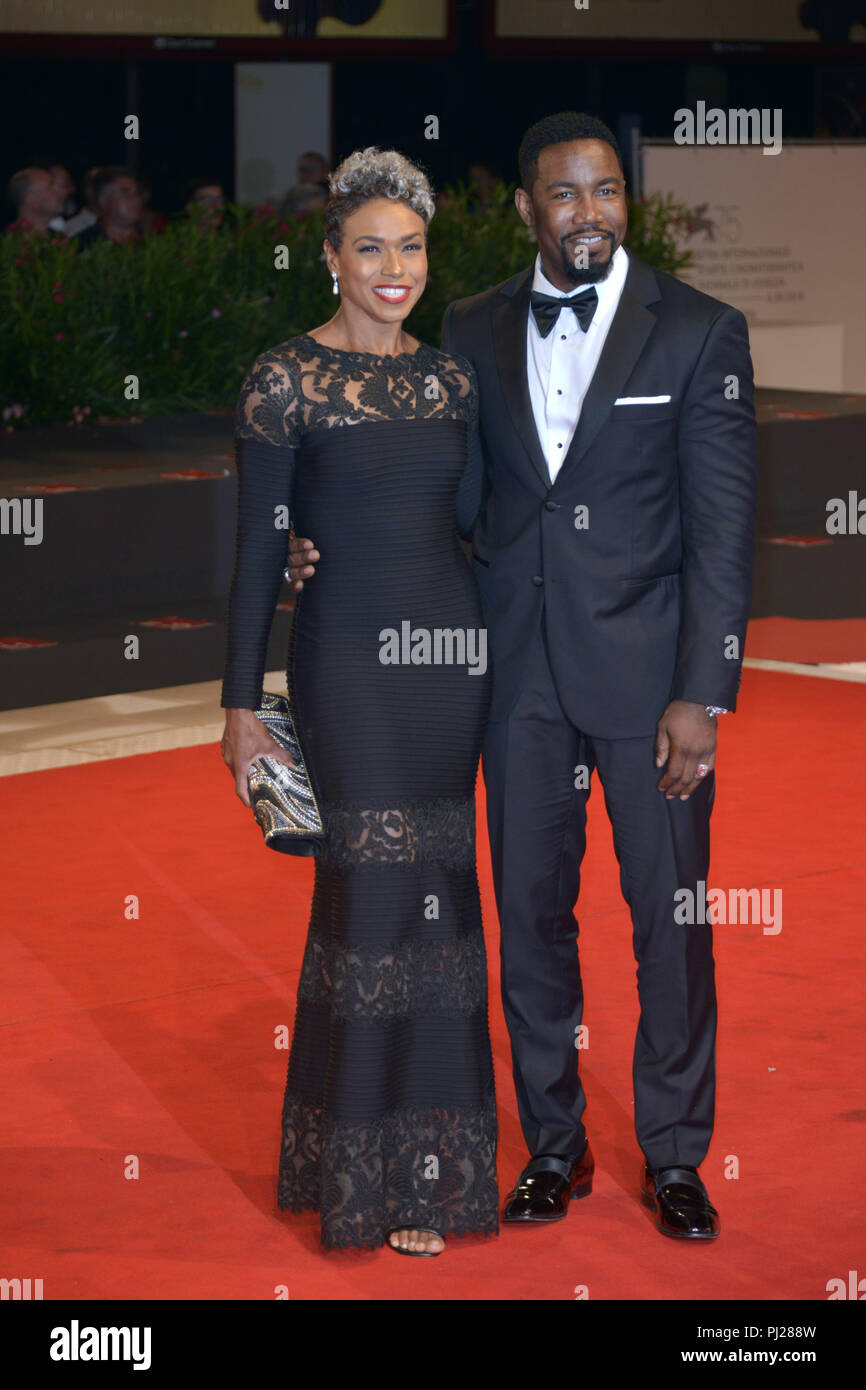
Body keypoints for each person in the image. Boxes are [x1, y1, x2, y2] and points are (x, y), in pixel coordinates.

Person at [287, 111, 758, 1242]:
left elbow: (722, 528)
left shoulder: (697, 331)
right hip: (511, 684)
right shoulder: (471, 325)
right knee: (528, 917)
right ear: (524, 207)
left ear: (623, 204)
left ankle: (676, 1152)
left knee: (667, 921)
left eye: (606, 192)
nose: (587, 211)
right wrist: (320, 542)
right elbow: (447, 501)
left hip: (652, 688)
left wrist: (704, 691)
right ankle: (553, 1142)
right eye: (564, 193)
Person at [219, 147, 498, 1257]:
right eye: (369, 247)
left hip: (450, 666)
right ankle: (367, 1173)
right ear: (329, 255)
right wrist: (241, 705)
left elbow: (475, 526)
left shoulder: (450, 380)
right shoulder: (282, 381)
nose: (393, 268)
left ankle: (423, 1166)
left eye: (411, 246)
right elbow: (254, 555)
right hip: (345, 669)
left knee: (438, 896)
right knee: (374, 899)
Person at [75, 167, 145, 248]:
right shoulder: (84, 245)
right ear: (103, 200)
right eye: (125, 192)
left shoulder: (152, 241)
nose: (136, 199)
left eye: (137, 192)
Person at [5, 166, 66, 236]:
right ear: (31, 200)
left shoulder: (59, 239)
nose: (61, 192)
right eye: (50, 187)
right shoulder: (9, 244)